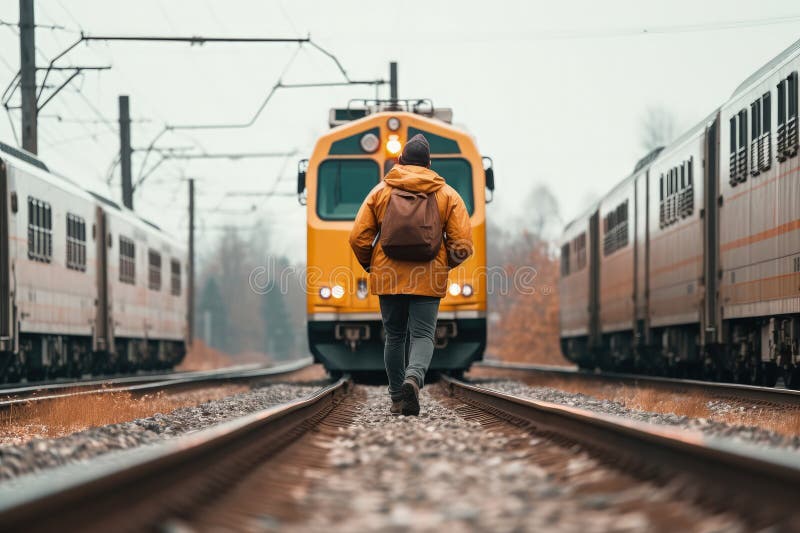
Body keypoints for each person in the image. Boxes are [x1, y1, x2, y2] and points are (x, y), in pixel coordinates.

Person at [349, 134, 473, 416]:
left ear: (400, 161)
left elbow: (357, 237)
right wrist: (444, 265)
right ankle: (413, 379)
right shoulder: (447, 194)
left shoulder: (380, 191)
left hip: (388, 276)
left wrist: (372, 265)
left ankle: (396, 399)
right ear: (429, 163)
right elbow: (463, 244)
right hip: (428, 276)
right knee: (423, 335)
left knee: (394, 336)